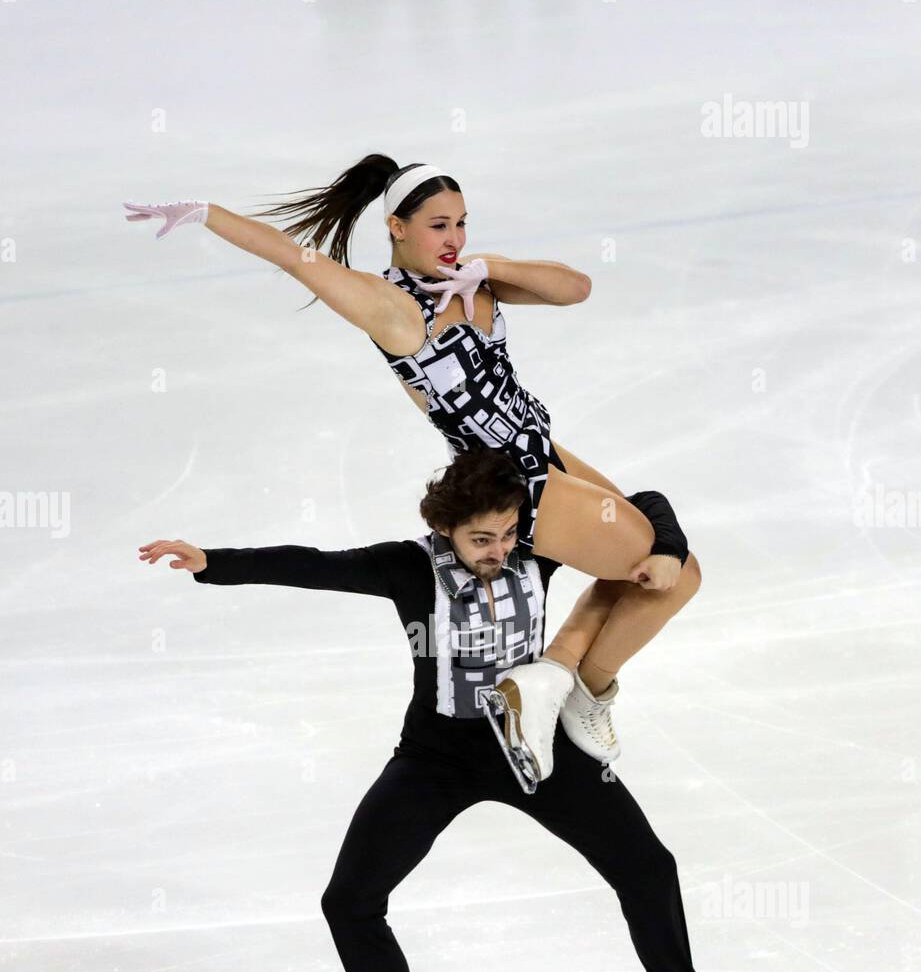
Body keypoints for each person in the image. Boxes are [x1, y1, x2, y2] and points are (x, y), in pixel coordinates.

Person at [138, 449, 779, 972]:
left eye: (507, 534)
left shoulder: (536, 550)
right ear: (445, 528)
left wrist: (671, 554)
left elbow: (643, 506)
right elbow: (313, 564)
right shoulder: (406, 567)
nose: (498, 551)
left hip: (532, 745)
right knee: (350, 904)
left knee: (648, 869)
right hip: (435, 757)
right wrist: (212, 561)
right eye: (482, 539)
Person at [123, 160, 701, 787]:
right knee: (676, 575)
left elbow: (577, 289)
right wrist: (209, 213)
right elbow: (296, 258)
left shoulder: (473, 282)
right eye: (437, 226)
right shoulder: (394, 308)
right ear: (397, 227)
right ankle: (579, 689)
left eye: (460, 224)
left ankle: (555, 679)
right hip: (513, 481)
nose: (452, 239)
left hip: (545, 451)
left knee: (643, 562)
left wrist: (489, 268)